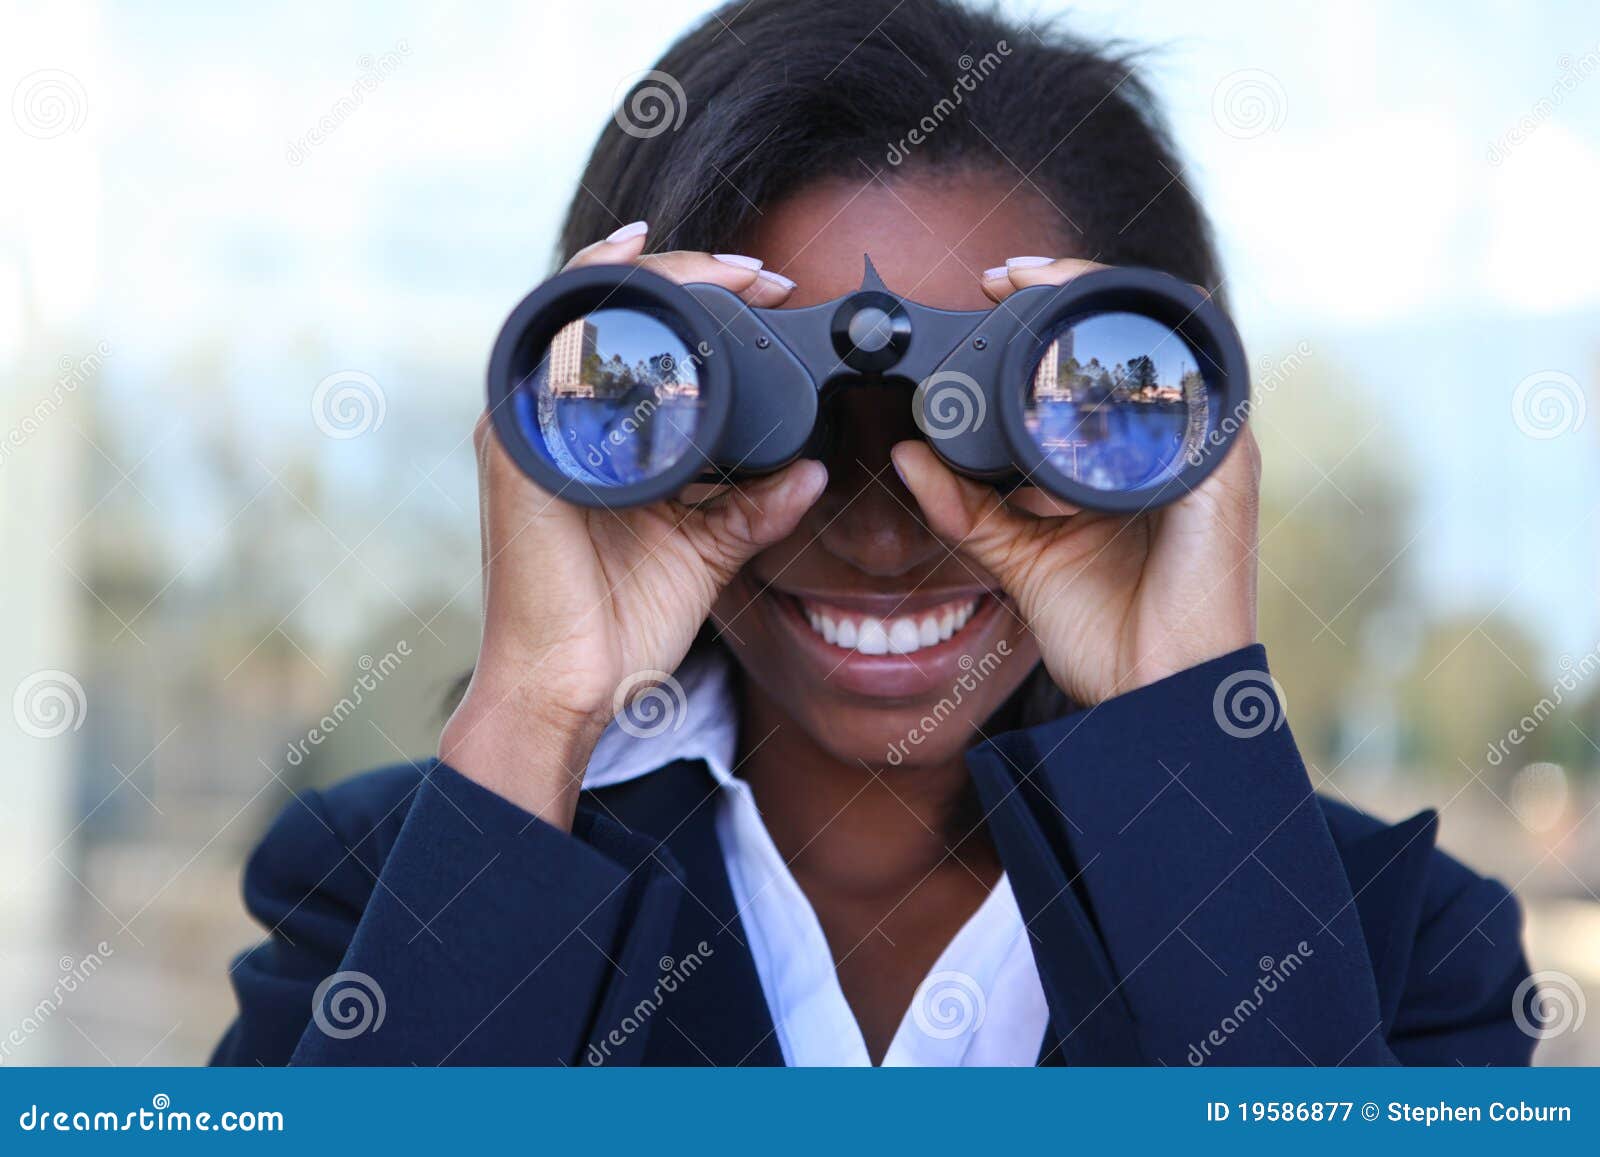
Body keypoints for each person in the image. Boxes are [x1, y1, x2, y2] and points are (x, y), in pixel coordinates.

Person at [213, 0, 1534, 1067]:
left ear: (1185, 428)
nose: (883, 530)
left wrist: (1184, 720)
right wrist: (536, 707)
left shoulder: (1395, 945)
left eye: (1018, 417)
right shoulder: (392, 894)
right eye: (763, 413)